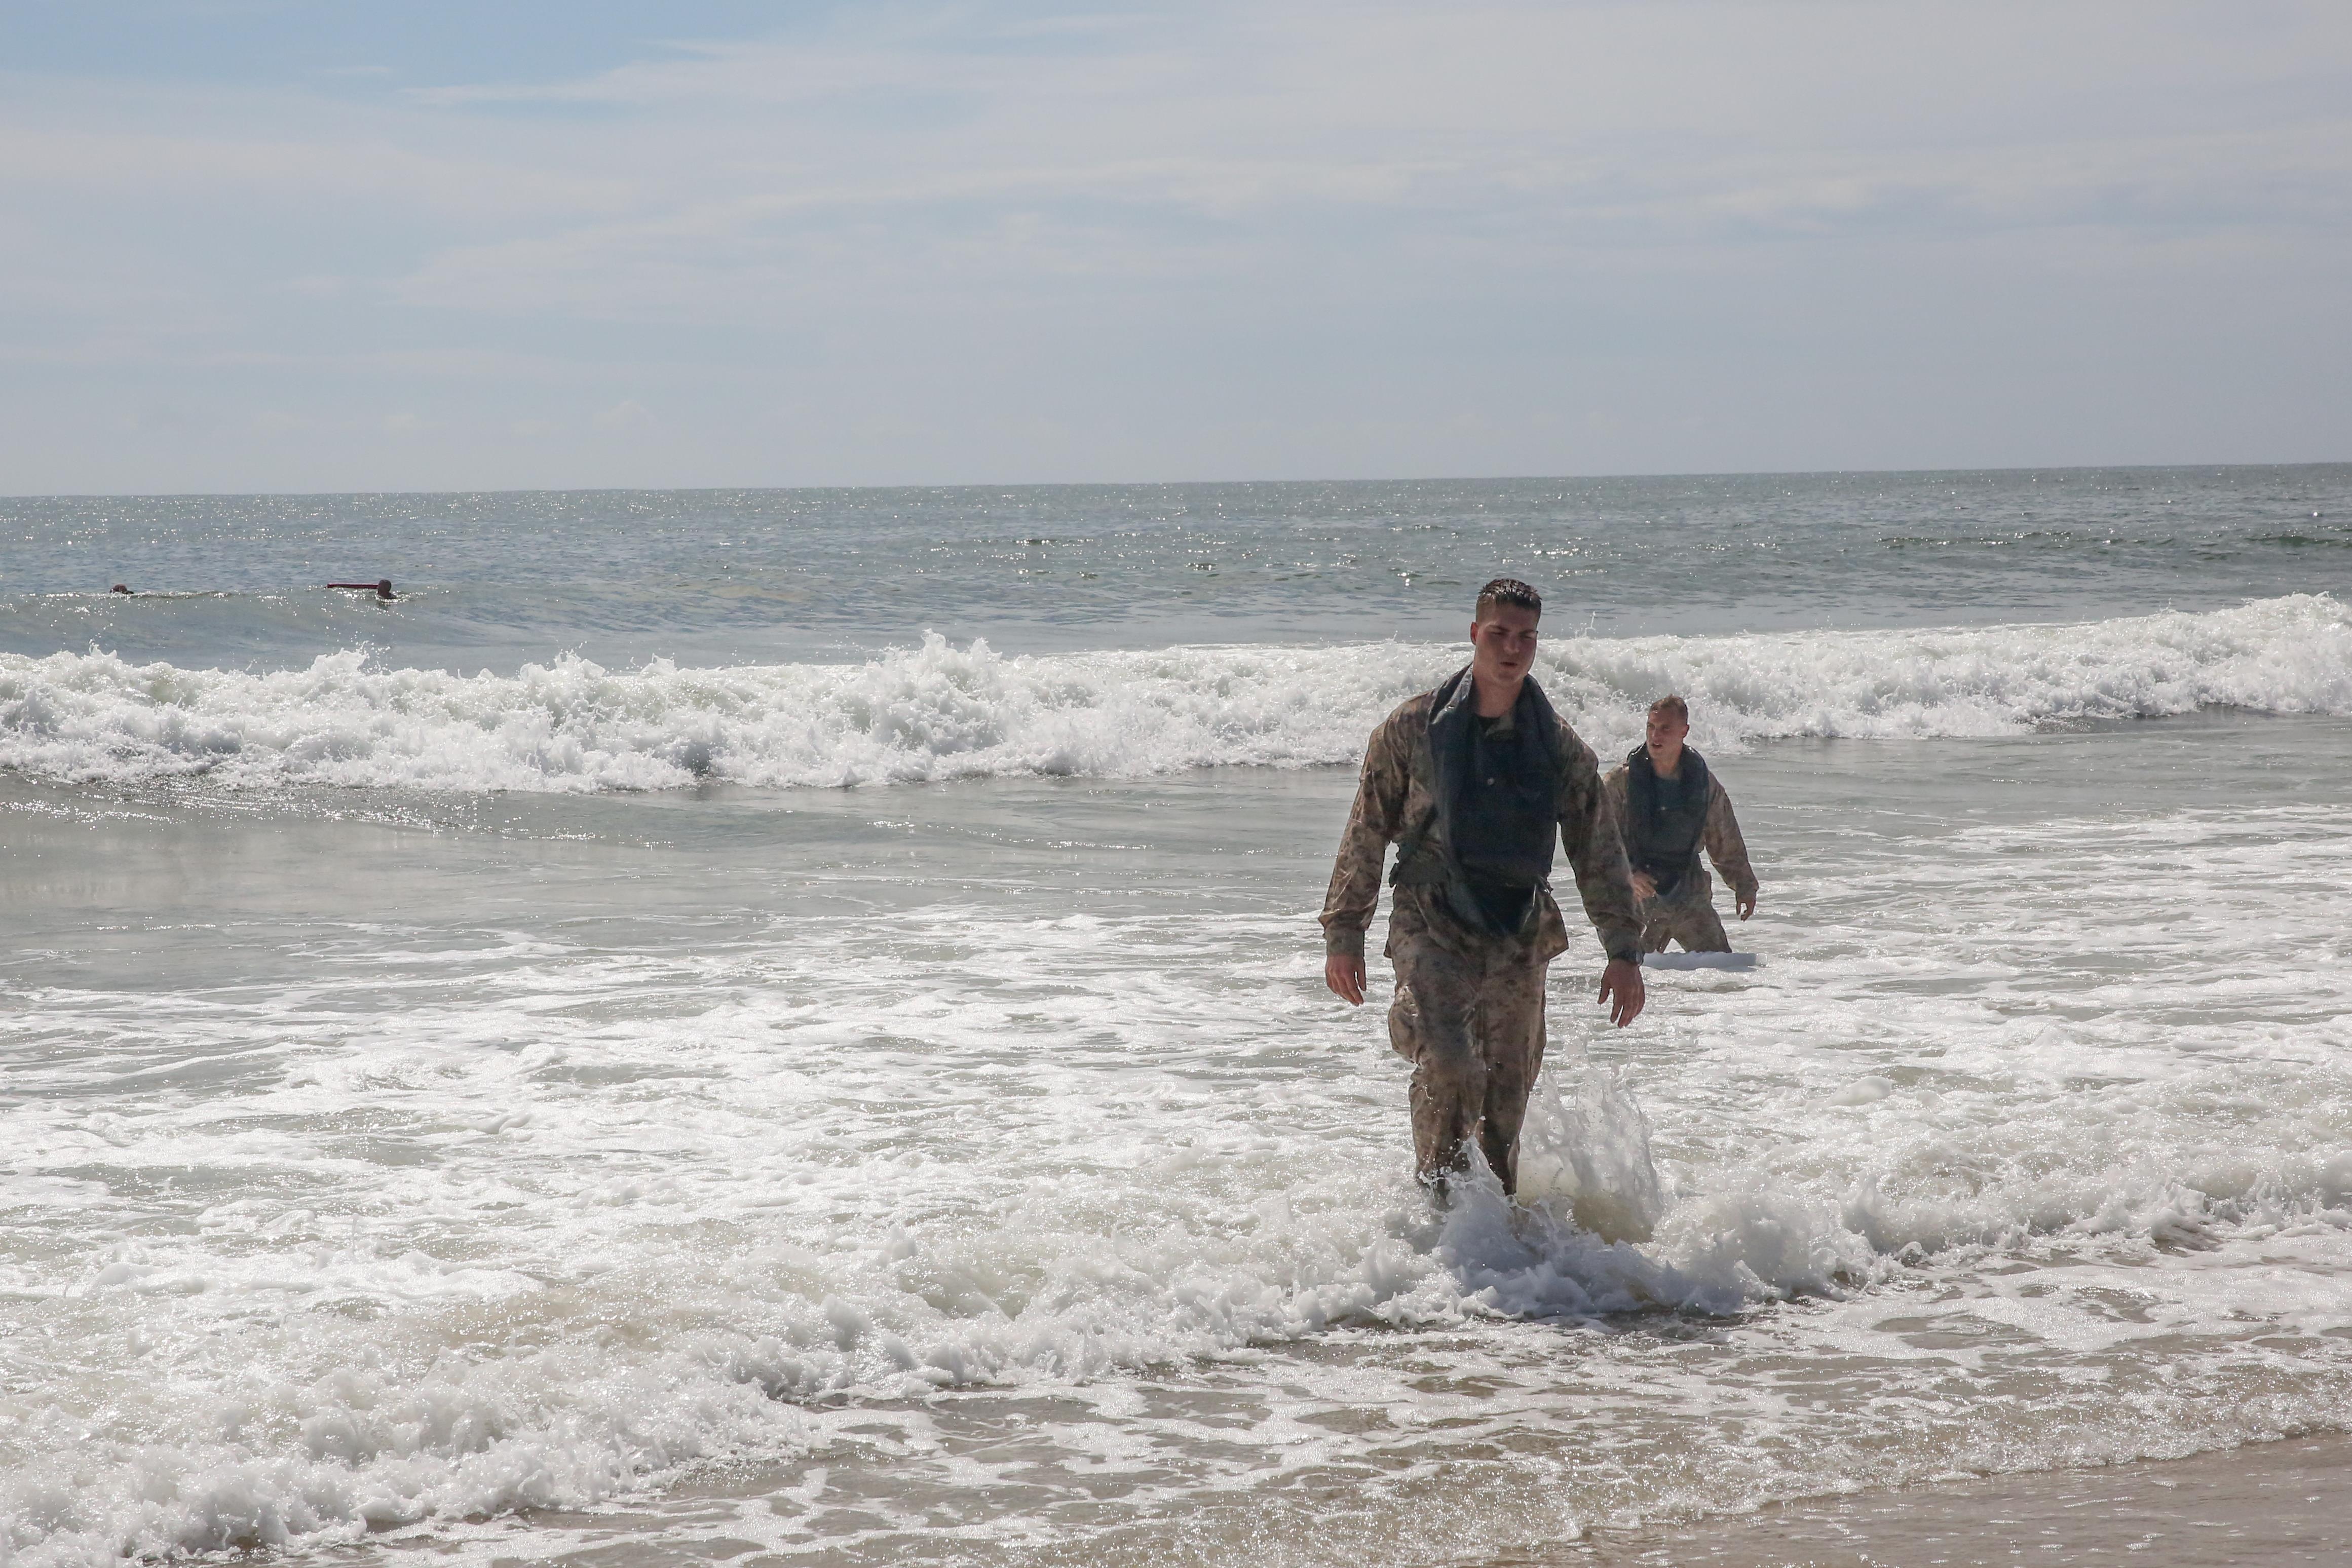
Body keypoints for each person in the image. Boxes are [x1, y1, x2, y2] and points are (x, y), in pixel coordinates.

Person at [1320, 578, 1645, 1199]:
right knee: (1448, 1062)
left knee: (1505, 1095)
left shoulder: (1556, 745)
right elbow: (1366, 828)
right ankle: (1437, 1207)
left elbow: (1598, 848)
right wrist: (1344, 931)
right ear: (1475, 634)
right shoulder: (1414, 728)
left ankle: (1497, 1242)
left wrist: (1624, 950)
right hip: (1430, 915)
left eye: (1525, 637)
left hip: (1517, 926)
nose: (1511, 649)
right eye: (1498, 633)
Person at [1603, 696, 1759, 954]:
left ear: (1684, 732)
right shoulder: (1621, 781)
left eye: (1665, 728)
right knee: (1632, 972)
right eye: (1651, 727)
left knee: (1721, 970)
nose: (1656, 736)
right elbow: (1599, 841)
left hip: (1688, 890)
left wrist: (1744, 885)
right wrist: (1627, 873)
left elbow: (1724, 836)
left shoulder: (1702, 782)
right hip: (1638, 892)